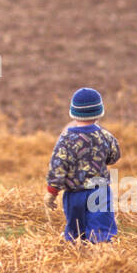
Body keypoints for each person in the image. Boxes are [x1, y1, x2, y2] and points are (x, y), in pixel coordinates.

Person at [44, 88, 121, 243]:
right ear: (99, 112)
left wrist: (52, 192)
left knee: (76, 232)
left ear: (73, 113)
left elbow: (57, 167)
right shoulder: (105, 136)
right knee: (101, 230)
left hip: (74, 194)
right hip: (99, 192)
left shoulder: (66, 139)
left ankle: (78, 258)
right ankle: (102, 257)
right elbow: (114, 157)